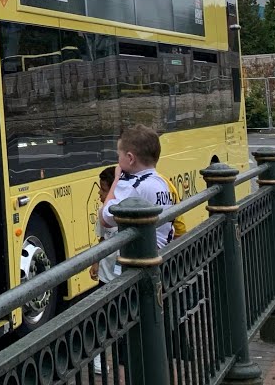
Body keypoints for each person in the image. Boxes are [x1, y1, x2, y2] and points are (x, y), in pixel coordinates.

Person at [99, 124, 173, 248]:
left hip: (143, 256)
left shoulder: (133, 186)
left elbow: (105, 219)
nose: (118, 161)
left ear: (130, 158)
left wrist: (117, 179)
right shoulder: (161, 182)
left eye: (119, 155)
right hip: (164, 252)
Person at [89, 166, 119, 375]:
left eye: (102, 190)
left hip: (119, 274)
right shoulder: (103, 213)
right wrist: (96, 262)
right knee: (104, 319)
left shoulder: (120, 210)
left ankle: (117, 358)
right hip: (106, 275)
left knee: (115, 318)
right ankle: (98, 359)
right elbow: (101, 238)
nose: (99, 193)